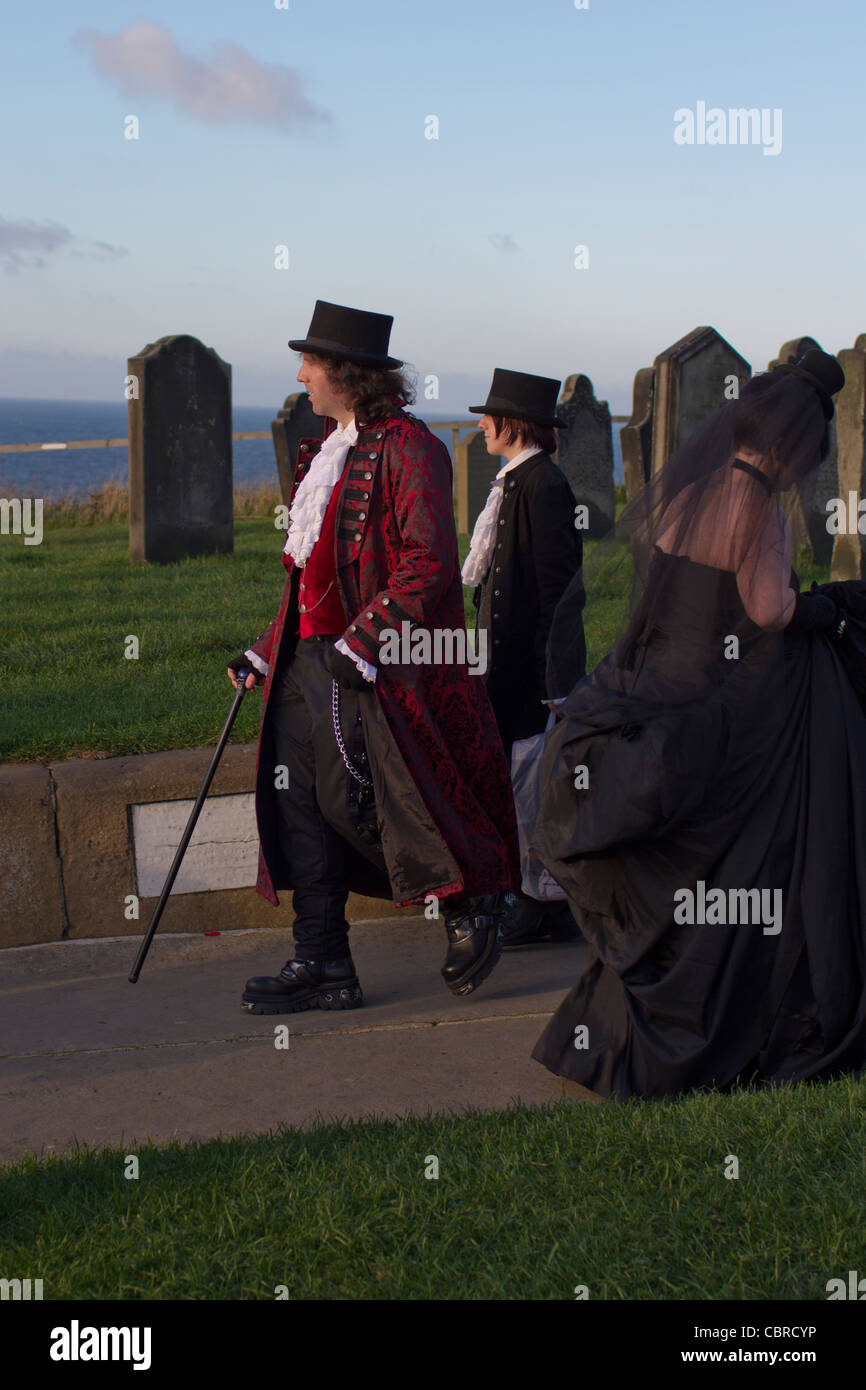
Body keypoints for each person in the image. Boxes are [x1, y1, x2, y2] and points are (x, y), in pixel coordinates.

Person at [530, 349, 866, 1099]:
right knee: (758, 860)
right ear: (789, 446)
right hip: (727, 711)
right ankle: (739, 1027)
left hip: (662, 692)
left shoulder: (695, 489)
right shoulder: (757, 509)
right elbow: (771, 612)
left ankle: (635, 1031)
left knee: (696, 876)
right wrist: (835, 613)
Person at [228, 300, 519, 1014]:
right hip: (306, 664)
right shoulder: (324, 451)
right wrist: (268, 651)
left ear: (347, 375)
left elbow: (427, 565)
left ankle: (470, 907)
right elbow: (309, 575)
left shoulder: (413, 449)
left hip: (372, 666)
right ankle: (323, 961)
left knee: (369, 802)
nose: (301, 376)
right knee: (300, 808)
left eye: (311, 364)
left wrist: (362, 641)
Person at [462, 368, 586, 948]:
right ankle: (527, 897)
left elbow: (560, 593)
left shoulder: (544, 484)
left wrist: (557, 681)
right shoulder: (514, 482)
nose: (482, 424)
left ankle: (545, 906)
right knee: (517, 785)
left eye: (489, 415)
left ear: (514, 423)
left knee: (534, 788)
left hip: (531, 674)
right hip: (503, 668)